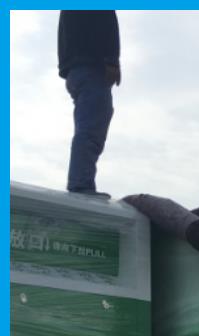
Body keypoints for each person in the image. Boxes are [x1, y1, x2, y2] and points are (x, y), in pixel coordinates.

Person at [58, 10, 121, 197]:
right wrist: (111, 61)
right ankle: (81, 184)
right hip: (91, 68)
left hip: (77, 70)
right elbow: (103, 23)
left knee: (88, 126)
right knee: (91, 129)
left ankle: (81, 183)